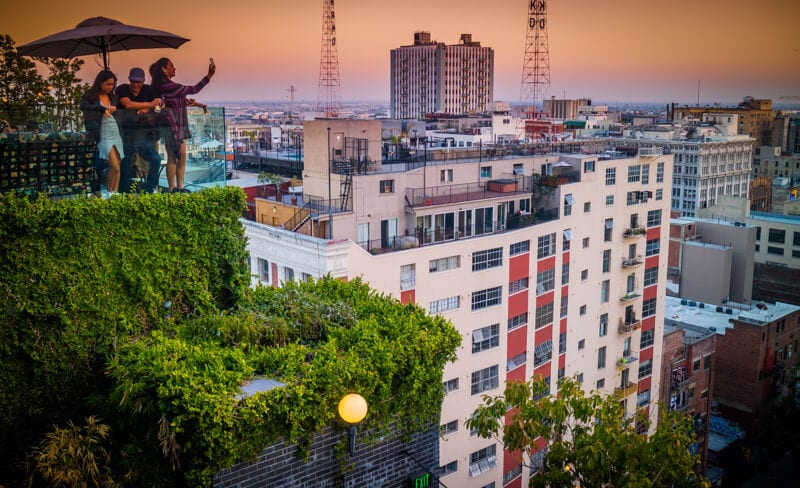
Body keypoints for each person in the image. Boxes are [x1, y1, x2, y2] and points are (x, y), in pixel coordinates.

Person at [149, 57, 215, 193]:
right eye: (171, 66)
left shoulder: (161, 87)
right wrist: (208, 76)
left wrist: (197, 104)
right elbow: (194, 89)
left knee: (173, 157)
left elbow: (176, 101)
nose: (174, 68)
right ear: (164, 69)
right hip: (176, 125)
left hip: (170, 125)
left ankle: (175, 188)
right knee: (179, 157)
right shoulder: (170, 86)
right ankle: (177, 187)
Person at [116, 67, 164, 193]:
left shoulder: (149, 90)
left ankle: (150, 189)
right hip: (126, 135)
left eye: (139, 82)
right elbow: (128, 104)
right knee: (125, 163)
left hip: (143, 136)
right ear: (129, 80)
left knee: (156, 159)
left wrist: (148, 110)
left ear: (143, 81)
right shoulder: (122, 89)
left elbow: (160, 106)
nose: (136, 84)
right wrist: (149, 104)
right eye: (133, 81)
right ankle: (125, 193)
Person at [80, 69, 124, 195]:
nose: (111, 87)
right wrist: (101, 109)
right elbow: (82, 105)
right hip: (102, 132)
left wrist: (115, 107)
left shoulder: (113, 96)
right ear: (100, 82)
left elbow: (118, 107)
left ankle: (113, 193)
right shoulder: (91, 95)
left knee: (117, 166)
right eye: (108, 84)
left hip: (115, 130)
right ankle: (110, 193)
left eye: (112, 84)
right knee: (114, 165)